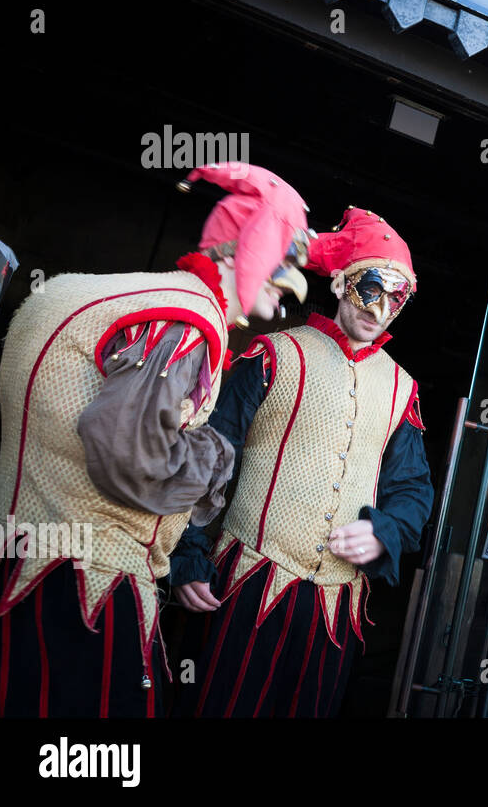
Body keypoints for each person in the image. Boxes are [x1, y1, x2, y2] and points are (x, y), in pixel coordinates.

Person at [0, 161, 310, 717]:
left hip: (15, 559)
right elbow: (126, 448)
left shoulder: (123, 292)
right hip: (86, 583)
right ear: (238, 253)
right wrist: (215, 455)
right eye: (284, 256)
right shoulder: (187, 318)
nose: (297, 280)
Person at [170, 206, 432, 718]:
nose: (378, 311)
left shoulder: (403, 389)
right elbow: (206, 456)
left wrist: (386, 531)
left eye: (395, 299)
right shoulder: (274, 354)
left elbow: (413, 491)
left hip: (336, 610)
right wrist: (187, 553)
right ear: (339, 282)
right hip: (245, 583)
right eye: (370, 289)